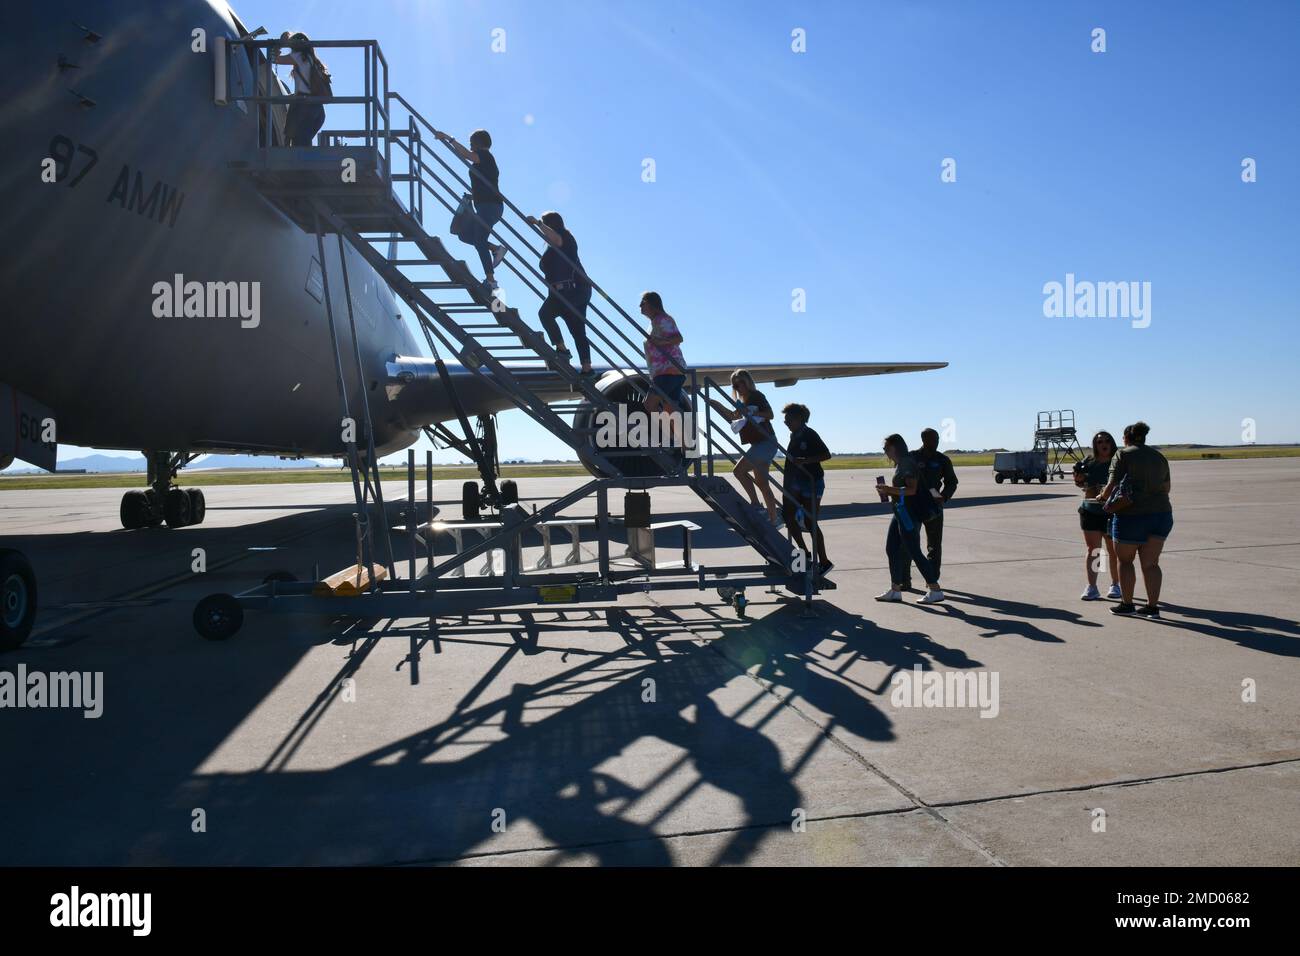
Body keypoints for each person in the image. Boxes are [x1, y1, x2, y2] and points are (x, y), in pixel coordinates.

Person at [1094, 421, 1172, 618]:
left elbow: (1112, 485)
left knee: (1126, 561)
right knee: (1151, 564)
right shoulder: (1158, 456)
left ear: (1125, 439)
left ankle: (1127, 604)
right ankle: (1152, 607)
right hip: (1161, 514)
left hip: (1131, 516)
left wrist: (1102, 496)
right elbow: (1167, 488)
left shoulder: (1123, 454)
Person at [875, 433, 945, 604]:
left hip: (909, 513)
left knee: (913, 550)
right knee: (891, 548)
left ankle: (935, 589)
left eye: (886, 449)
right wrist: (888, 491)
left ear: (894, 447)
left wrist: (889, 489)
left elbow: (911, 490)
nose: (885, 452)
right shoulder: (901, 464)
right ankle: (895, 589)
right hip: (900, 511)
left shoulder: (906, 462)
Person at [434, 128, 506, 290]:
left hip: (490, 206)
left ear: (479, 143)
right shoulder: (483, 160)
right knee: (465, 235)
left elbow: (466, 155)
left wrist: (448, 138)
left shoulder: (485, 156)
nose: (470, 144)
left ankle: (491, 281)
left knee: (479, 239)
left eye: (472, 141)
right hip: (485, 205)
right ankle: (495, 249)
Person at [705, 370, 780, 524]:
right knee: (762, 484)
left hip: (766, 442)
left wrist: (753, 411)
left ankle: (757, 506)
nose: (738, 387)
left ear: (747, 382)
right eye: (735, 385)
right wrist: (714, 403)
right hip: (759, 443)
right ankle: (774, 519)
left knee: (739, 471)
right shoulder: (742, 401)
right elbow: (732, 417)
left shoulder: (756, 396)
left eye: (741, 383)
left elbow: (770, 414)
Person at [526, 211, 594, 378]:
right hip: (561, 292)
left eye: (546, 224)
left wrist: (538, 224)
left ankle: (565, 351)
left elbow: (556, 240)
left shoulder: (566, 239)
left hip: (574, 289)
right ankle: (585, 367)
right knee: (574, 327)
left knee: (549, 315)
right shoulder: (552, 247)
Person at [781, 403, 833, 575]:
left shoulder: (809, 434)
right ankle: (804, 551)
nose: (785, 422)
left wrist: (805, 460)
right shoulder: (794, 435)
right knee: (788, 515)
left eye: (788, 419)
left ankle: (824, 561)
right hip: (795, 481)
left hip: (811, 481)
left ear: (799, 419)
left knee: (811, 522)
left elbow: (826, 454)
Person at [1072, 430, 1121, 601]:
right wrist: (1078, 478)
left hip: (1112, 511)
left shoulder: (1119, 462)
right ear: (1095, 445)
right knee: (1094, 550)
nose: (1103, 444)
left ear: (1112, 443)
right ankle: (1092, 587)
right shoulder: (1089, 462)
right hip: (1090, 510)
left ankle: (1115, 584)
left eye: (1107, 440)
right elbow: (1081, 484)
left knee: (1113, 551)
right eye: (1099, 441)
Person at [910, 427, 959, 586]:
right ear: (924, 440)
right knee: (909, 544)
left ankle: (932, 580)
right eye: (933, 439)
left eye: (937, 439)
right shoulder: (912, 457)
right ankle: (904, 579)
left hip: (934, 507)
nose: (936, 442)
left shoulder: (942, 460)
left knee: (934, 545)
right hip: (913, 506)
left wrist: (944, 497)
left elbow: (952, 482)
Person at [274, 32, 329, 147]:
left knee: (298, 145)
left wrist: (280, 43)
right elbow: (308, 89)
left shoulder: (298, 56)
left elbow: (274, 59)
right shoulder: (313, 60)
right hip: (318, 109)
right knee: (304, 145)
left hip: (304, 107)